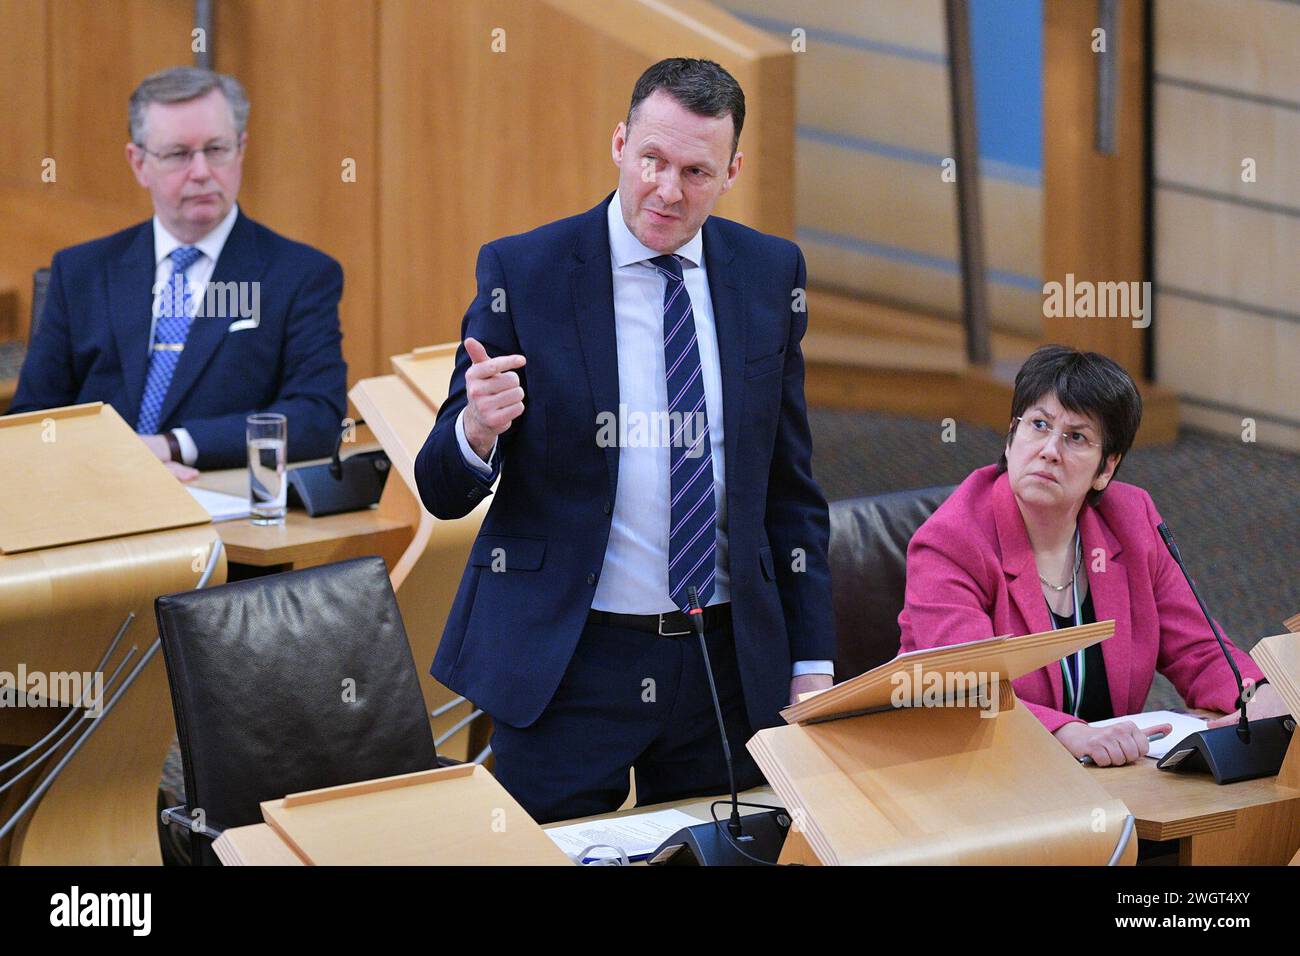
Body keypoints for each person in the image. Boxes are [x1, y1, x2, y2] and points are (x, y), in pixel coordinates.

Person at [414, 58, 835, 822]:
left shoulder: (771, 274)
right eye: (652, 160)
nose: (668, 191)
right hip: (571, 659)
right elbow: (442, 489)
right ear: (618, 143)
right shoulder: (527, 270)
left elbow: (789, 487)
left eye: (696, 171)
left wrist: (811, 662)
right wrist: (476, 428)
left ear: (732, 171)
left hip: (723, 662)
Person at [899, 345, 1288, 766]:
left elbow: (1199, 650)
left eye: (1077, 437)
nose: (1050, 449)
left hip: (1108, 776)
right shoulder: (951, 542)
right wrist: (1066, 733)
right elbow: (968, 690)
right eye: (1038, 425)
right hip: (974, 773)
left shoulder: (1132, 520)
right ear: (1011, 439)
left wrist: (1259, 692)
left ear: (1106, 468)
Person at [10, 66, 347, 476]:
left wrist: (174, 446)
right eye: (178, 154)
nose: (202, 171)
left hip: (219, 501)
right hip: (93, 493)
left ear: (241, 149)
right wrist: (117, 463)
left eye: (217, 149)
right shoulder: (81, 272)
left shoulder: (300, 276)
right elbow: (33, 419)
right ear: (138, 163)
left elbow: (315, 417)